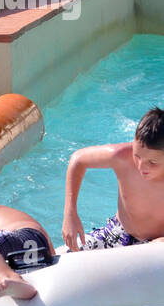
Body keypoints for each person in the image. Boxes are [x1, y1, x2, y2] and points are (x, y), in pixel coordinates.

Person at [62, 107, 164, 249]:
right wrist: (70, 213)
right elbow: (78, 159)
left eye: (152, 162)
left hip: (157, 245)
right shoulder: (121, 156)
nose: (141, 167)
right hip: (117, 233)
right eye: (137, 156)